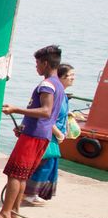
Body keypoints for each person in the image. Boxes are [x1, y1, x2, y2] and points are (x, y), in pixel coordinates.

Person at [0, 45, 65, 218]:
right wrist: (24, 125)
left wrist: (16, 108)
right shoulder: (58, 85)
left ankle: (5, 214)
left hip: (34, 136)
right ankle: (14, 211)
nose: (36, 67)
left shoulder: (46, 85)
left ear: (45, 63)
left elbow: (46, 111)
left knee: (14, 174)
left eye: (37, 63)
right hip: (40, 134)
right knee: (22, 174)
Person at [24, 64, 76, 205]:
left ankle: (37, 192)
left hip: (54, 134)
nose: (73, 78)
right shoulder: (53, 92)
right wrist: (59, 133)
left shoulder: (63, 95)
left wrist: (69, 114)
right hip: (49, 134)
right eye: (69, 76)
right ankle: (30, 192)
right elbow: (48, 116)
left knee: (50, 163)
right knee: (44, 162)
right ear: (60, 77)